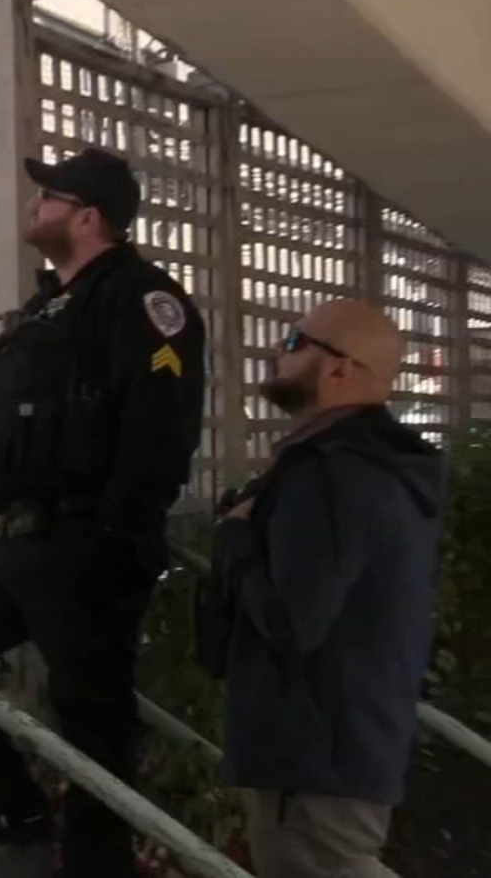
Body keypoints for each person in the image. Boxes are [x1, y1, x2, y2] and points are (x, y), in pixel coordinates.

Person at [0, 146, 206, 877]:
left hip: (87, 543)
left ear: (88, 215)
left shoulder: (144, 301)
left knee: (92, 714)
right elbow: (34, 410)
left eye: (50, 197)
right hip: (27, 538)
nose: (34, 206)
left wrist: (116, 530)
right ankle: (4, 801)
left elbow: (159, 424)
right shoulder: (50, 305)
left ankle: (98, 865)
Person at [204, 299, 443, 878]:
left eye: (293, 343)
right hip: (339, 744)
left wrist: (236, 541)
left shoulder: (335, 471)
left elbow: (293, 618)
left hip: (314, 754)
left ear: (339, 369)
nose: (274, 352)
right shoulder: (377, 467)